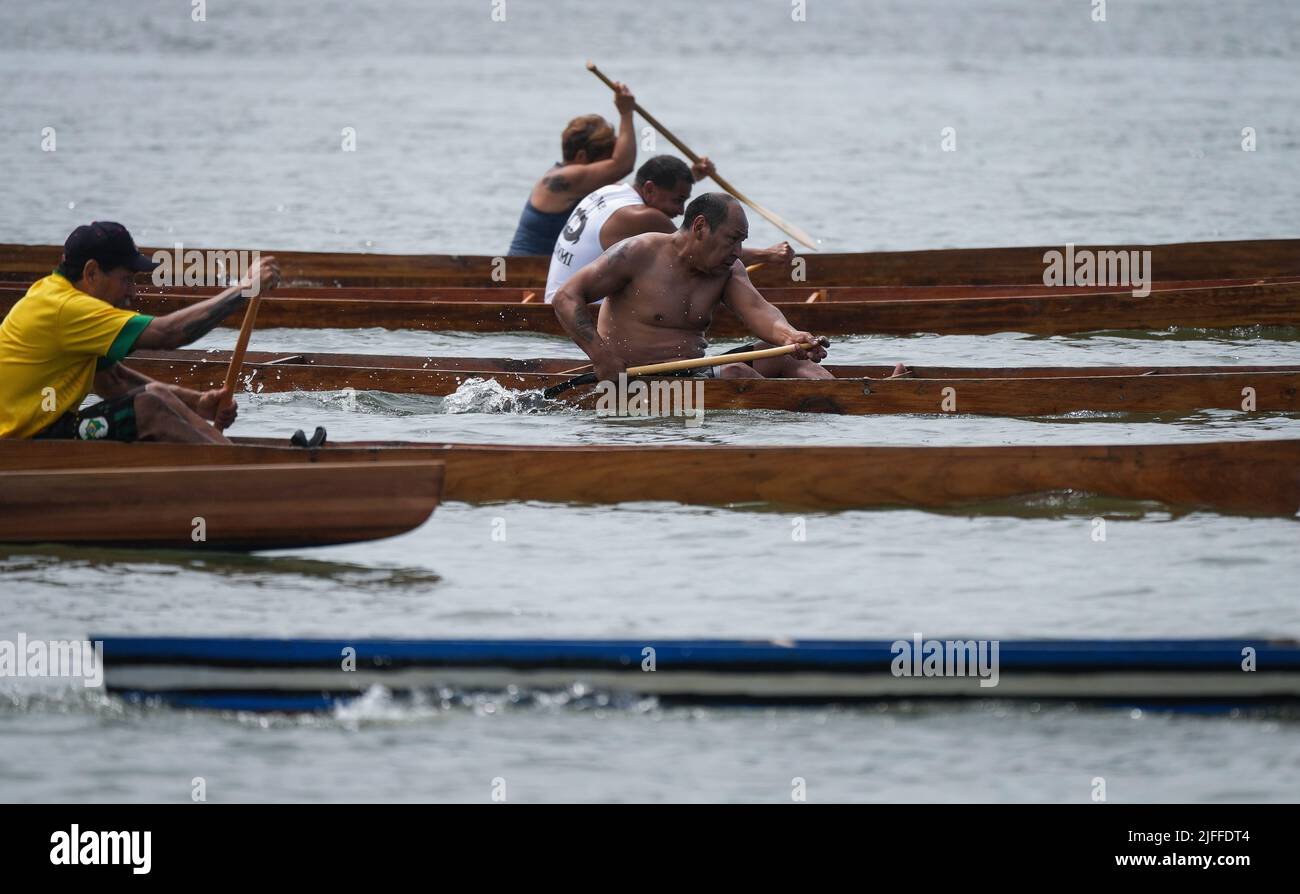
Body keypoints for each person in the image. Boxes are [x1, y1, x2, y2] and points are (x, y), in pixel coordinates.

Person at [0, 221, 281, 443]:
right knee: (148, 408)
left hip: (44, 431)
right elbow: (168, 333)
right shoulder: (66, 308)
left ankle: (228, 458)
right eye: (126, 280)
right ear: (92, 272)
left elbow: (113, 380)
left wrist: (199, 404)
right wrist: (245, 288)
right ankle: (234, 470)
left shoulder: (53, 294)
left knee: (154, 393)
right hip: (21, 443)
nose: (131, 293)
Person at [551, 193, 831, 380]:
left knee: (788, 359)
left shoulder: (728, 270)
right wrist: (601, 357)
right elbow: (566, 297)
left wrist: (791, 337)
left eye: (742, 241)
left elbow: (760, 310)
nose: (738, 251)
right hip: (634, 377)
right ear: (700, 227)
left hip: (694, 372)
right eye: (732, 239)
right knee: (735, 373)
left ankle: (842, 413)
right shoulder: (638, 253)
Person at [545, 155, 794, 302]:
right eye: (678, 200)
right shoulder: (643, 217)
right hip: (572, 307)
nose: (680, 211)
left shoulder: (612, 189)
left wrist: (692, 175)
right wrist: (768, 255)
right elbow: (699, 248)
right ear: (650, 189)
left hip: (556, 297)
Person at [506, 83, 639, 256]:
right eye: (605, 162)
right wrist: (626, 113)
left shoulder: (583, 185)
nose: (607, 173)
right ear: (581, 157)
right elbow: (622, 165)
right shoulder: (560, 180)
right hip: (524, 275)